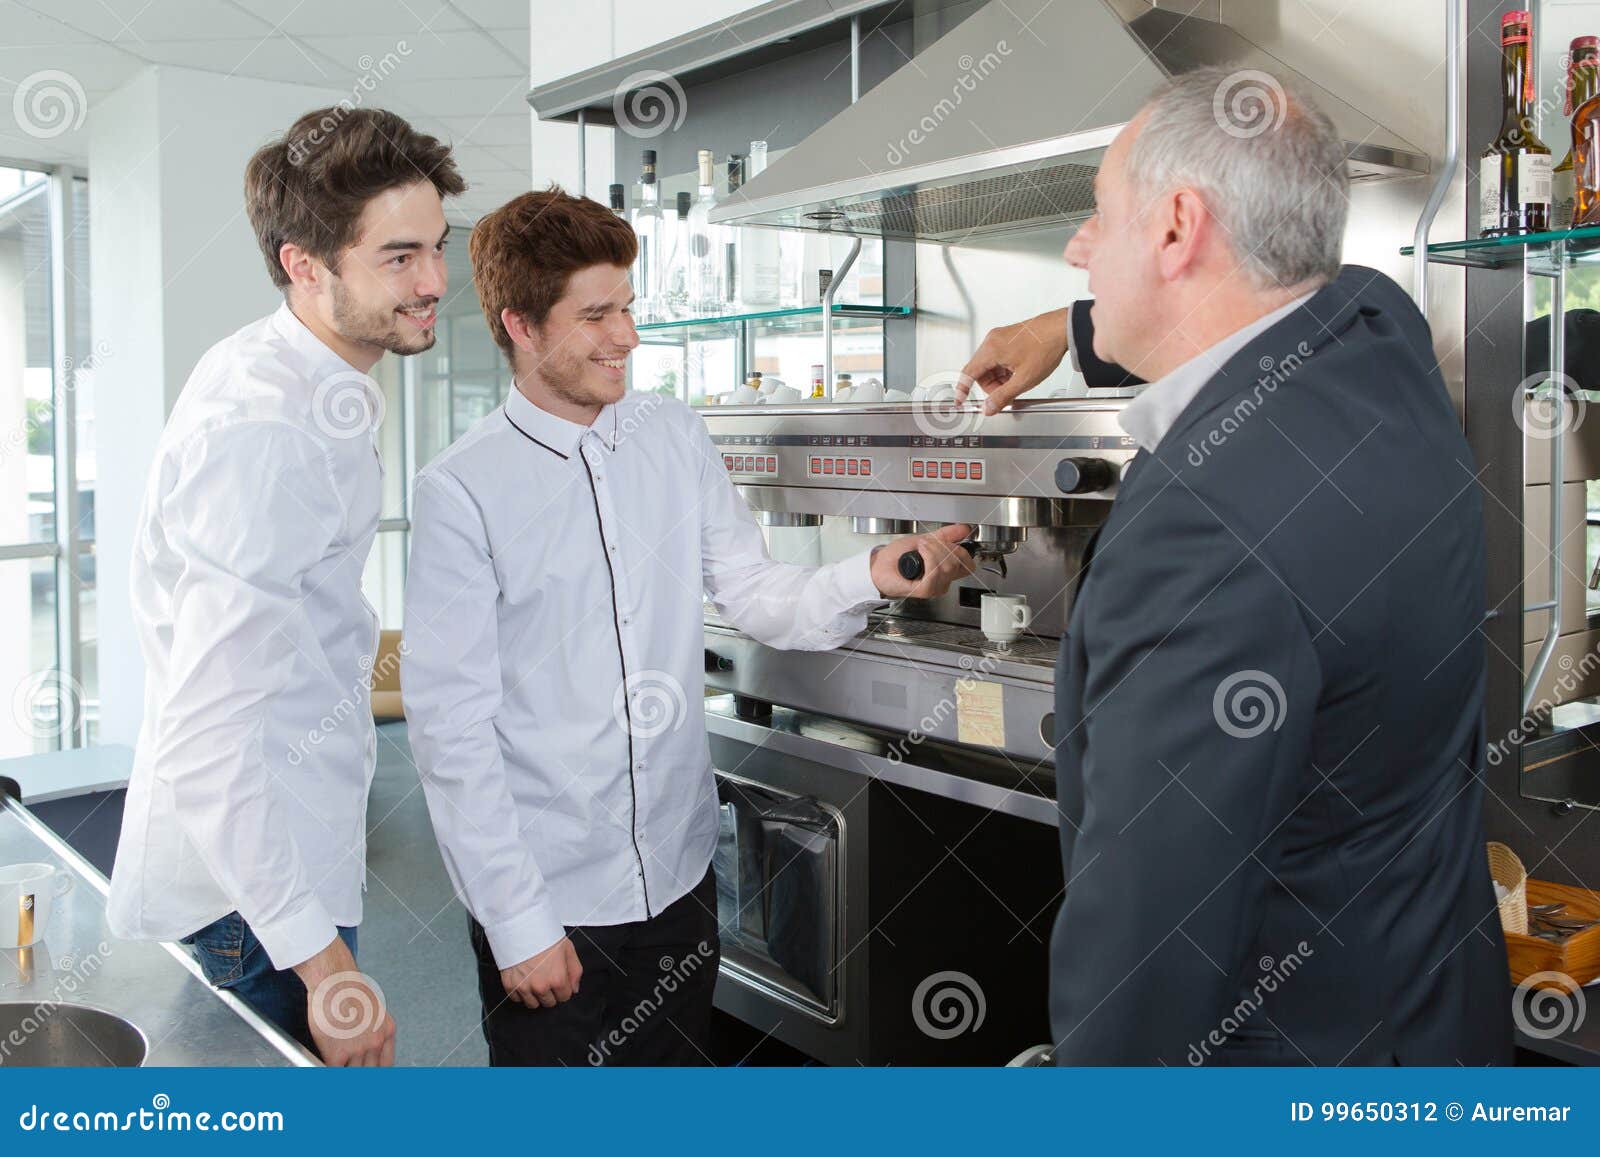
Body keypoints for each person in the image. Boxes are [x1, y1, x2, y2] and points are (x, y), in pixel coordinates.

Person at [958, 67, 1513, 1065]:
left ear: (1177, 227)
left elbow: (1150, 941)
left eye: (1096, 214)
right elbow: (1297, 296)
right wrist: (1065, 328)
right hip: (1438, 1018)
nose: (1079, 247)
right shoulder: (1382, 338)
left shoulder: (1203, 529)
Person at [401, 187, 973, 1066]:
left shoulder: (672, 435)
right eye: (596, 315)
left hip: (678, 877)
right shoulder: (462, 490)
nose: (626, 335)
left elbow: (753, 592)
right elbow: (451, 731)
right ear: (520, 324)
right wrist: (515, 922)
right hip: (553, 899)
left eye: (627, 308)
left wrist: (877, 570)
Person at [106, 108, 465, 1066]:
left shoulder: (311, 376)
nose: (434, 281)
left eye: (436, 246)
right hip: (255, 908)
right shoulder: (267, 431)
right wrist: (324, 969)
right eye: (398, 257)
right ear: (305, 263)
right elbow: (210, 733)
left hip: (283, 868)